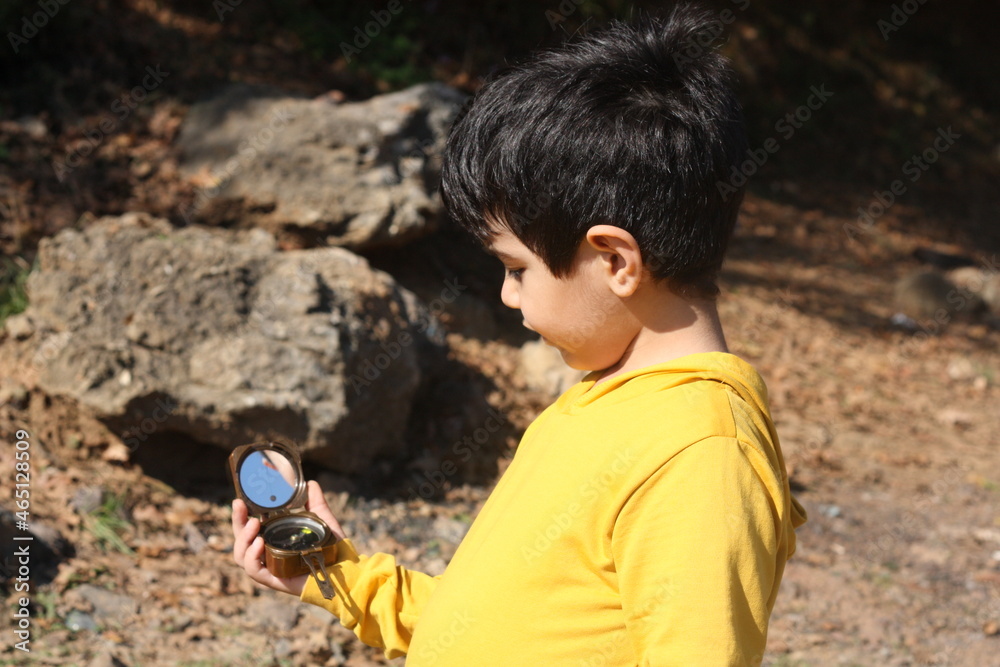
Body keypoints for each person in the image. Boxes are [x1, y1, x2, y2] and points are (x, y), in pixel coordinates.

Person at [232, 5, 807, 665]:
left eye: (516, 268)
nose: (507, 294)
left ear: (615, 261)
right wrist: (340, 580)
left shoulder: (699, 454)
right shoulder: (609, 401)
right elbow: (490, 630)